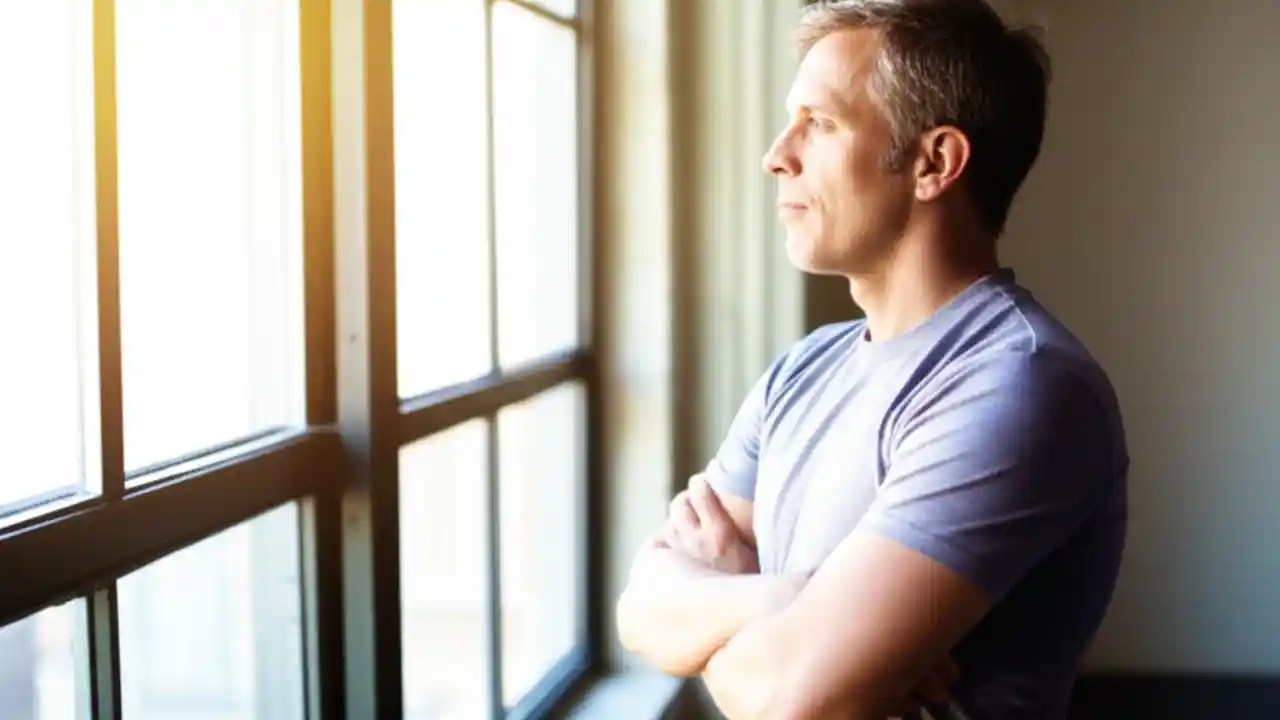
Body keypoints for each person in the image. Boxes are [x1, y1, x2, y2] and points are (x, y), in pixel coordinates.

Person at [615, 1, 1129, 719]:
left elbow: (798, 701)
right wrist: (786, 596)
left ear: (934, 162)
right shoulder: (801, 370)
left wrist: (719, 617)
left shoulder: (1020, 384)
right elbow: (640, 610)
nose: (777, 154)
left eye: (820, 124)